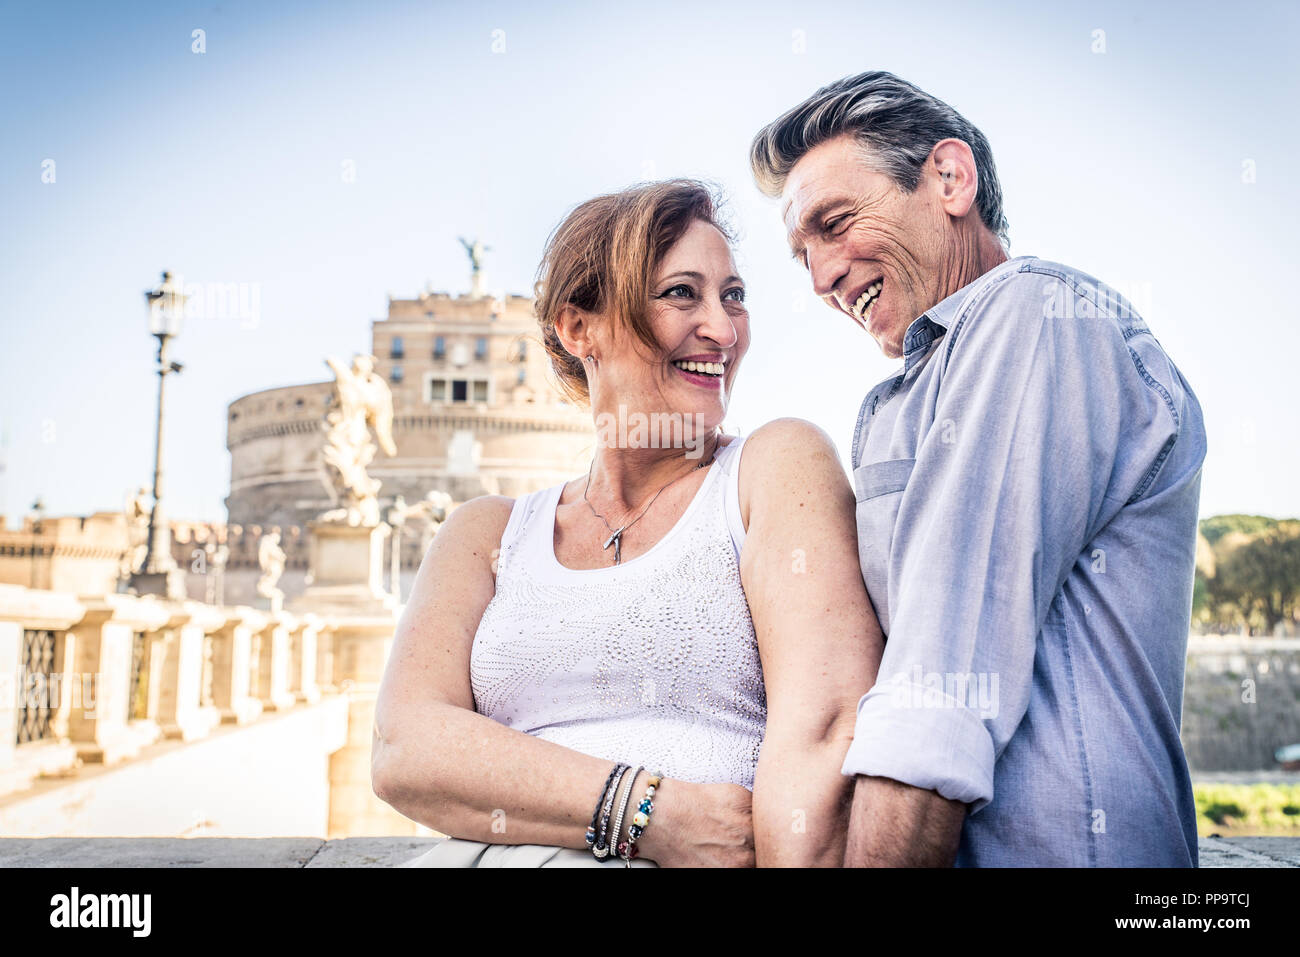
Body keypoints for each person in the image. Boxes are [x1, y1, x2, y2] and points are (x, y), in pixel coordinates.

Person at [750, 71, 1207, 867]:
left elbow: (936, 698)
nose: (821, 277)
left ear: (950, 179)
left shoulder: (1030, 316)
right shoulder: (911, 394)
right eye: (803, 254)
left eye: (834, 222)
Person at [372, 179, 883, 867]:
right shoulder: (485, 533)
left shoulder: (774, 468)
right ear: (578, 327)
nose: (724, 330)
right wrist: (644, 808)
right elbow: (405, 747)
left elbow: (827, 735)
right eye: (682, 293)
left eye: (733, 295)